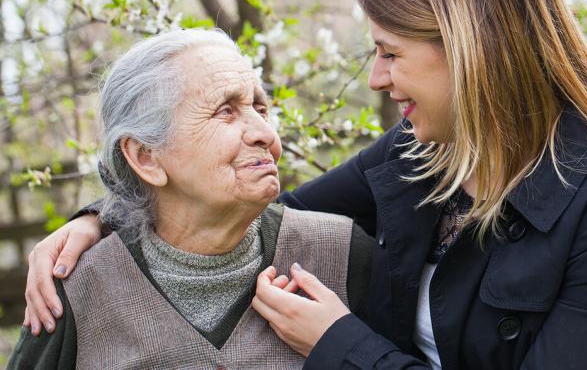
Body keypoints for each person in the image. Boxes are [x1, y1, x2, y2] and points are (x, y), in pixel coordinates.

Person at [21, 0, 587, 369]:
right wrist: (107, 215)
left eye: (389, 52)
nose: (376, 78)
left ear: (469, 47)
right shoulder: (423, 154)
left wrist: (336, 343)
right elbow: (256, 210)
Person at [8, 29, 372, 369]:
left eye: (260, 108)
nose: (265, 133)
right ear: (146, 157)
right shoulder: (77, 289)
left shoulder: (343, 254)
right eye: (225, 111)